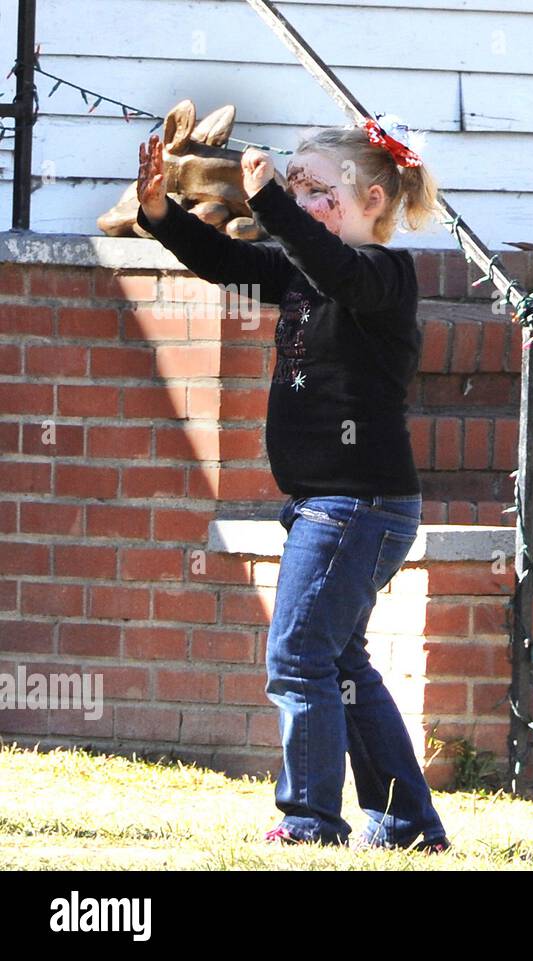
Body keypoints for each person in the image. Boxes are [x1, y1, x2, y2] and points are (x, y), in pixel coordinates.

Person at [136, 122, 451, 853]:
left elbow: (332, 265)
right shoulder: (303, 271)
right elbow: (228, 263)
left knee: (298, 656)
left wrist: (272, 198)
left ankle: (311, 819)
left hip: (355, 504)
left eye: (317, 189)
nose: (299, 200)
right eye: (296, 185)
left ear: (373, 200)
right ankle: (407, 823)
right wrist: (160, 213)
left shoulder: (382, 277)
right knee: (338, 661)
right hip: (334, 505)